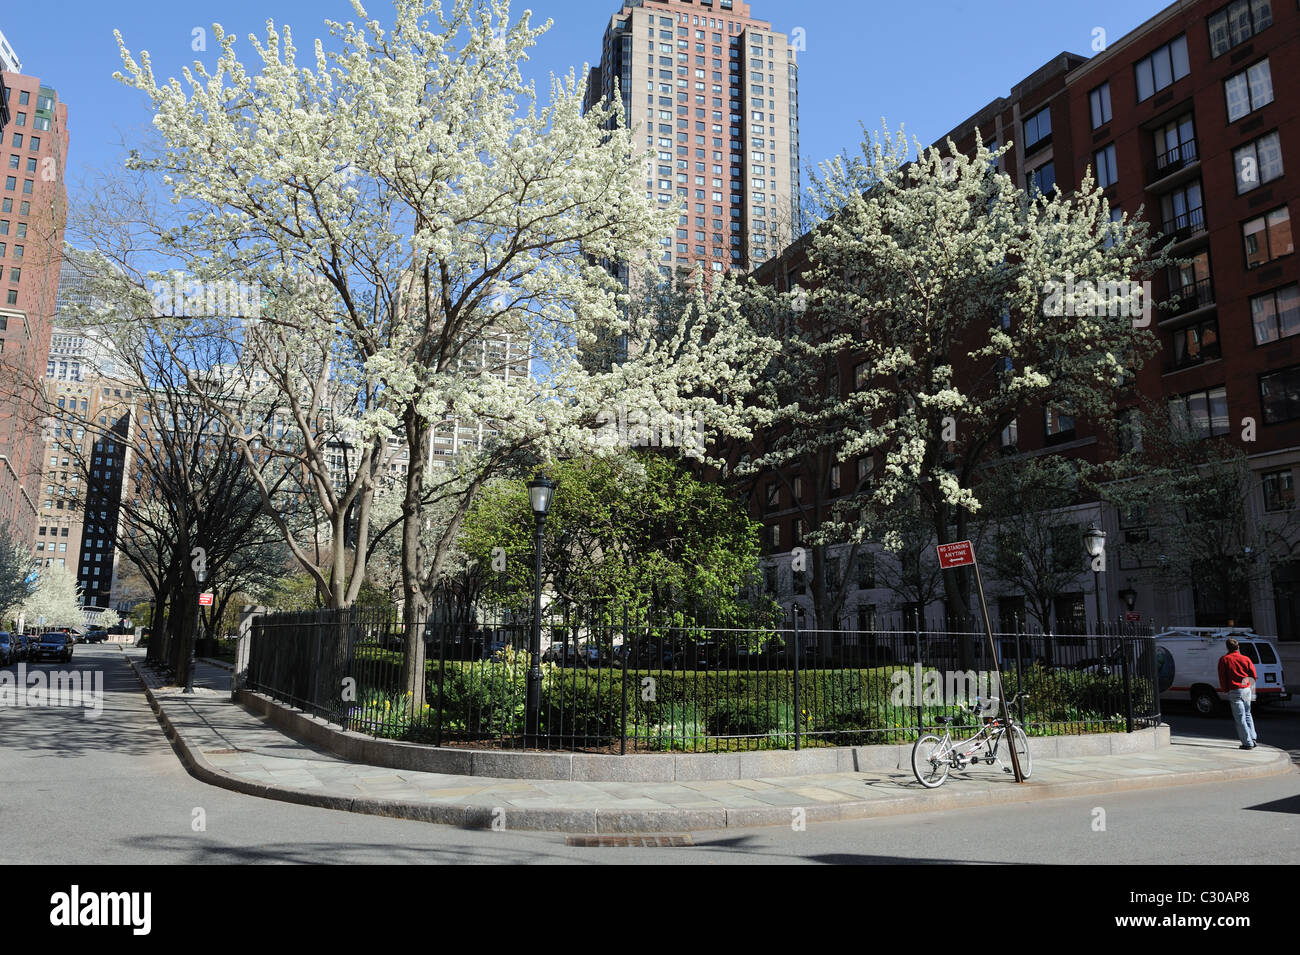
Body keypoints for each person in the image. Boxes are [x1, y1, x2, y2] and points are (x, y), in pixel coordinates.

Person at [1218, 638, 1258, 750]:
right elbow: (1253, 675)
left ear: (1227, 647)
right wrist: (1248, 686)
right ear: (1238, 647)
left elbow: (1222, 676)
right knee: (1248, 714)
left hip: (1235, 689)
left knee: (1240, 718)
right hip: (1247, 689)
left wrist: (1225, 689)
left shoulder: (1224, 659)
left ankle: (1247, 742)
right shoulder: (1246, 658)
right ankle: (1252, 737)